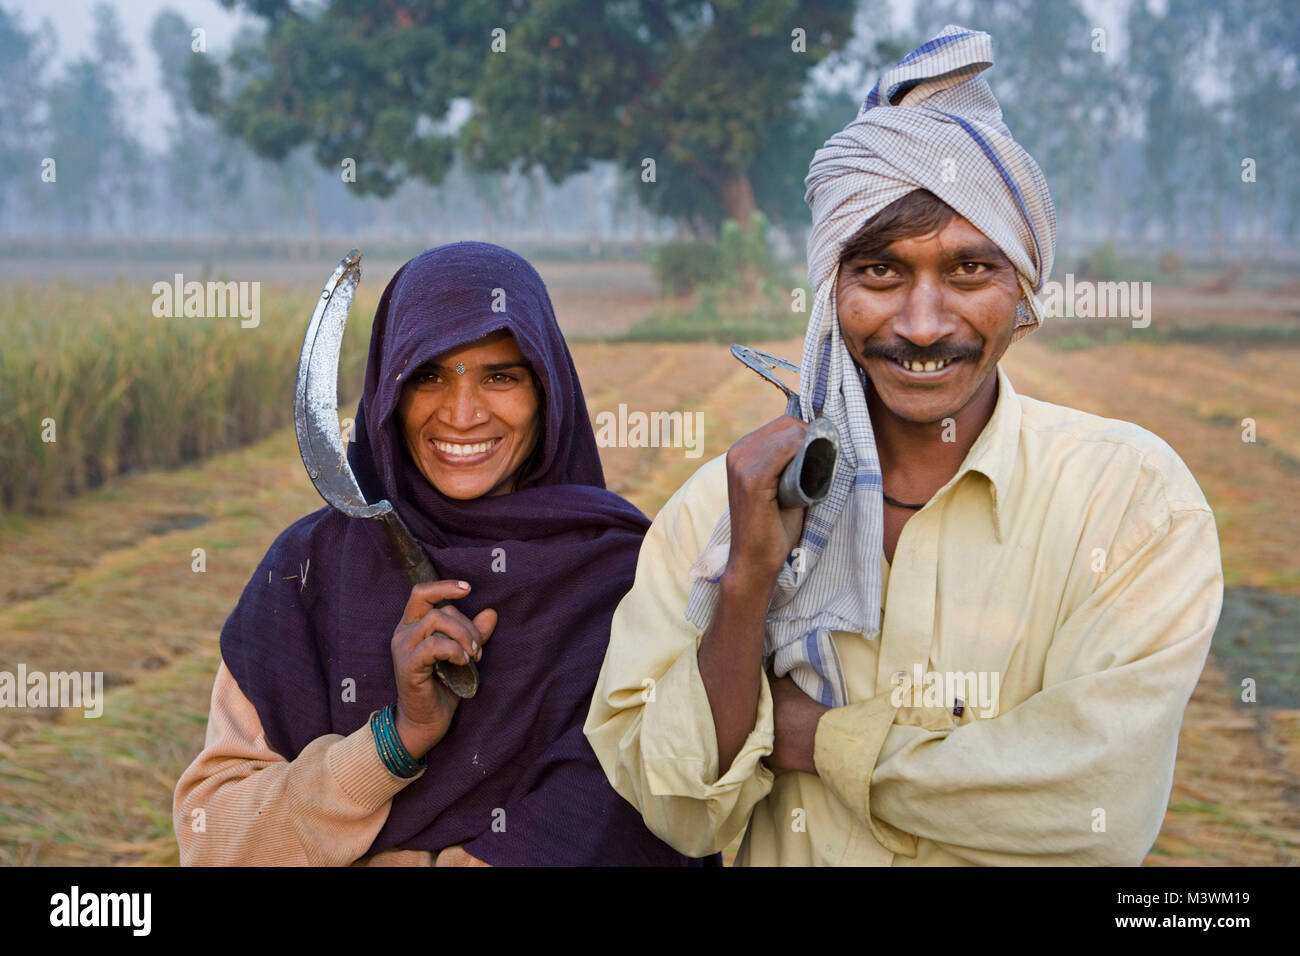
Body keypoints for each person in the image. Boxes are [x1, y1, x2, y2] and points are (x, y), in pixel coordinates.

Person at [584, 26, 1223, 865]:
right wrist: (745, 582)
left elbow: (1090, 804)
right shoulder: (720, 510)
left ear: (1025, 293)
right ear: (830, 291)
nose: (923, 325)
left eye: (969, 272)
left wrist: (819, 740)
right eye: (880, 272)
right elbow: (676, 805)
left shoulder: (1132, 502)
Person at [174, 241, 706, 866]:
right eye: (428, 374)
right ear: (390, 392)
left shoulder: (623, 582)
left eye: (500, 376)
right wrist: (394, 741)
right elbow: (214, 844)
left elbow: (623, 815)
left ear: (548, 391)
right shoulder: (308, 571)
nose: (461, 413)